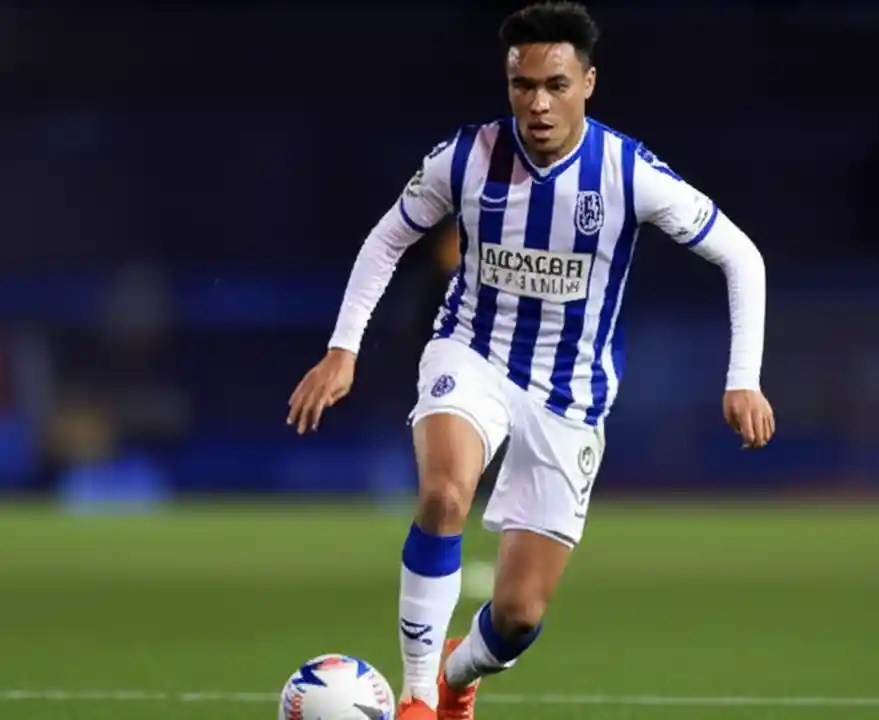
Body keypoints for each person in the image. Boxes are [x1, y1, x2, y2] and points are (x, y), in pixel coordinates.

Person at [285, 3, 773, 718]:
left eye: (555, 84)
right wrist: (342, 350)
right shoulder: (467, 156)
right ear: (507, 82)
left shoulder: (626, 172)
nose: (537, 103)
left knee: (516, 616)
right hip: (472, 353)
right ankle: (419, 696)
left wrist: (743, 380)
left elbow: (742, 256)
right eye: (522, 85)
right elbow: (387, 238)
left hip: (570, 395)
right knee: (445, 494)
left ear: (588, 83)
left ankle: (459, 673)